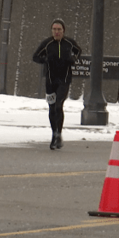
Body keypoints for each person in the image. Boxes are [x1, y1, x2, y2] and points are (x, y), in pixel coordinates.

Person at [32, 19, 82, 150]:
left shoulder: (69, 43)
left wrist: (73, 59)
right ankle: (54, 135)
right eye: (54, 29)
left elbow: (78, 52)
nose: (56, 32)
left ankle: (58, 134)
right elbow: (35, 57)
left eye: (59, 29)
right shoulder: (47, 43)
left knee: (59, 105)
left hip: (64, 79)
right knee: (52, 107)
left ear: (63, 31)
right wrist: (45, 60)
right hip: (50, 80)